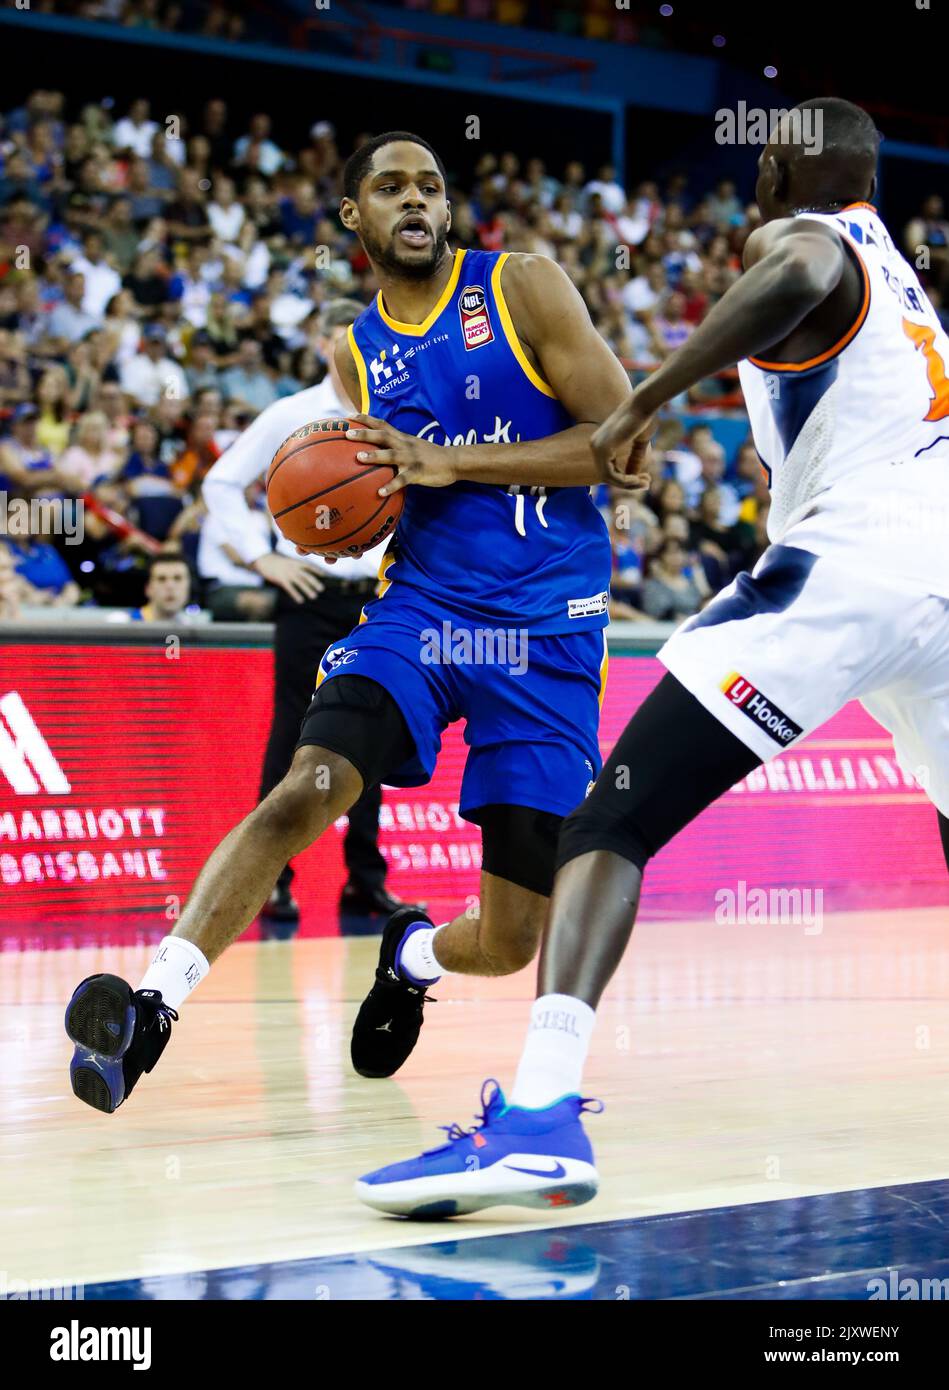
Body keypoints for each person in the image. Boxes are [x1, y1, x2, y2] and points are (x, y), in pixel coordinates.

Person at [354, 98, 949, 1217]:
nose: (754, 182)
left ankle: (537, 1122)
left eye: (762, 161)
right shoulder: (903, 281)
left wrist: (643, 401)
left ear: (781, 170)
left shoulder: (805, 234)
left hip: (859, 561)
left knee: (608, 825)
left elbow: (795, 269)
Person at [64, 130, 642, 1115]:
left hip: (547, 633)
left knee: (508, 941)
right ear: (353, 216)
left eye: (430, 186)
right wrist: (341, 509)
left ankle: (411, 954)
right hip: (418, 613)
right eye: (390, 187)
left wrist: (454, 462)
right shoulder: (355, 352)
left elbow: (625, 447)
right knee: (305, 788)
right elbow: (370, 476)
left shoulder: (523, 287)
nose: (415, 199)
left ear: (446, 209)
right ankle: (151, 1007)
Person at [201, 297, 409, 925]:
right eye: (342, 338)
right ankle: (271, 880)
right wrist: (262, 558)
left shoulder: (395, 412)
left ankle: (365, 881)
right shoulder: (291, 415)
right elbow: (219, 481)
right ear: (321, 344)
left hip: (378, 597)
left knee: (373, 732)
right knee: (292, 732)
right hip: (308, 593)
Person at [129, 552, 194, 622]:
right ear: (148, 588)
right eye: (161, 579)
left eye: (177, 578)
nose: (170, 586)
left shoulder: (194, 624)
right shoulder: (126, 623)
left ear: (189, 585)